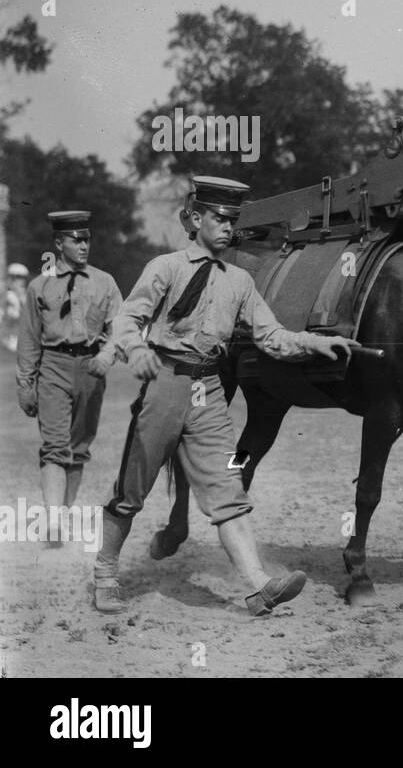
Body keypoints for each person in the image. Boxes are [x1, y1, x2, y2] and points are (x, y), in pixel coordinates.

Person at [93, 176, 359, 615]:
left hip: (209, 392)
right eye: (219, 218)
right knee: (131, 489)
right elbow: (127, 318)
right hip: (163, 383)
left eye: (233, 220)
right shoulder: (165, 267)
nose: (227, 228)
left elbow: (270, 337)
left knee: (226, 486)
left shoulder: (240, 281)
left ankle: (258, 586)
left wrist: (315, 343)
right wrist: (137, 349)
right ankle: (105, 574)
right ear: (195, 219)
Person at [15, 213, 121, 545]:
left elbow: (119, 329)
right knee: (55, 447)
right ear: (59, 244)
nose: (83, 246)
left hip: (91, 368)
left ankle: (64, 511)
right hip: (54, 366)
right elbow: (30, 338)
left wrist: (107, 355)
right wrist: (25, 384)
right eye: (76, 240)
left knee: (78, 447)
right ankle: (54, 522)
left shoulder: (105, 282)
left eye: (86, 239)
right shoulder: (39, 285)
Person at [3, 262, 29, 353]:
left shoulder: (26, 296)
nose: (16, 281)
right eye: (13, 278)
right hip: (6, 338)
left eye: (20, 278)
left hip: (19, 339)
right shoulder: (5, 295)